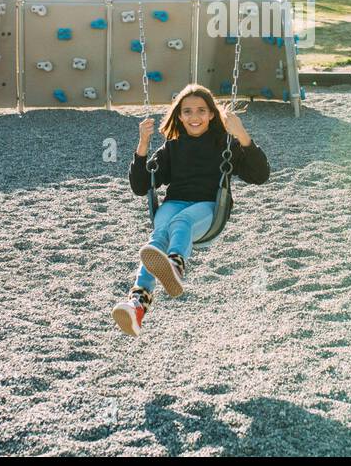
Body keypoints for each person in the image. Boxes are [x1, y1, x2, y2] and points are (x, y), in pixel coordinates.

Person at [112, 83, 270, 336]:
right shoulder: (173, 147)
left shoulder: (225, 144)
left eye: (201, 111)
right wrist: (142, 143)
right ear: (179, 116)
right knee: (158, 237)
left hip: (209, 208)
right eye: (187, 111)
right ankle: (137, 305)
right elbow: (142, 186)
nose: (194, 117)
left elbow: (260, 175)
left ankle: (175, 265)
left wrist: (242, 135)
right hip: (175, 203)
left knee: (179, 222)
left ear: (211, 114)